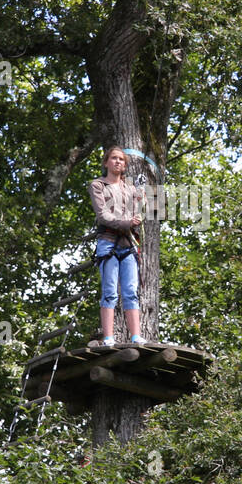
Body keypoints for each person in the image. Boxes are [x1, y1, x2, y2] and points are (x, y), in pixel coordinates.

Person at [88, 145, 148, 347]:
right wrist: (126, 223)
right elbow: (102, 215)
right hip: (108, 241)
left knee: (131, 291)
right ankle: (108, 337)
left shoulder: (130, 188)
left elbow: (139, 209)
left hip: (128, 243)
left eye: (121, 160)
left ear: (124, 166)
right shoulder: (98, 185)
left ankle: (136, 336)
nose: (117, 162)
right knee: (110, 292)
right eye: (113, 158)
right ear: (106, 162)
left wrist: (141, 194)